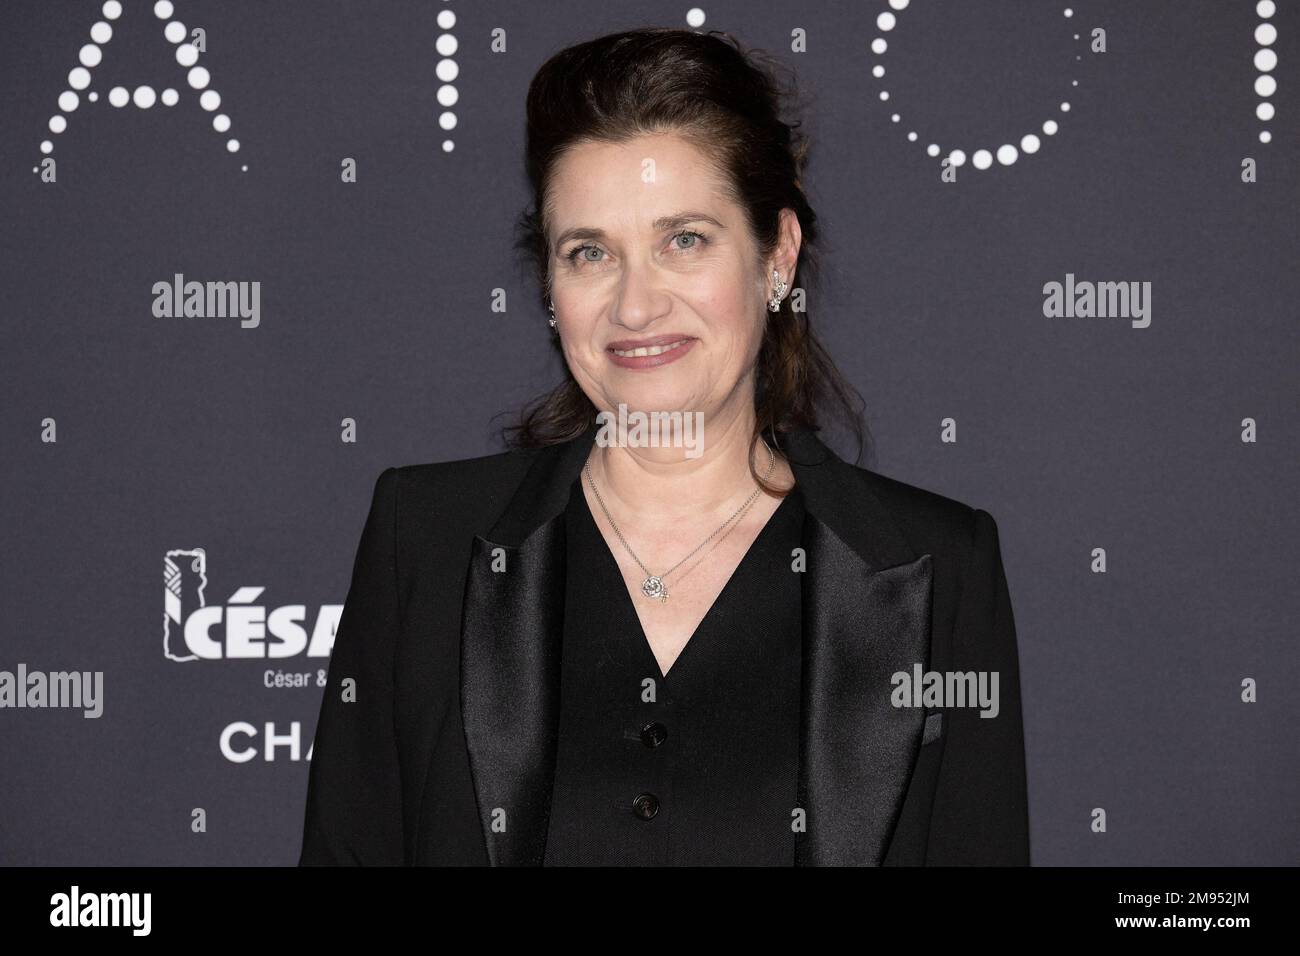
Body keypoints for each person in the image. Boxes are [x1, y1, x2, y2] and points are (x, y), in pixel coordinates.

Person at [299, 27, 1029, 866]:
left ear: (777, 257)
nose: (636, 306)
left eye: (684, 240)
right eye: (590, 253)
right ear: (549, 284)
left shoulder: (938, 564)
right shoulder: (423, 539)